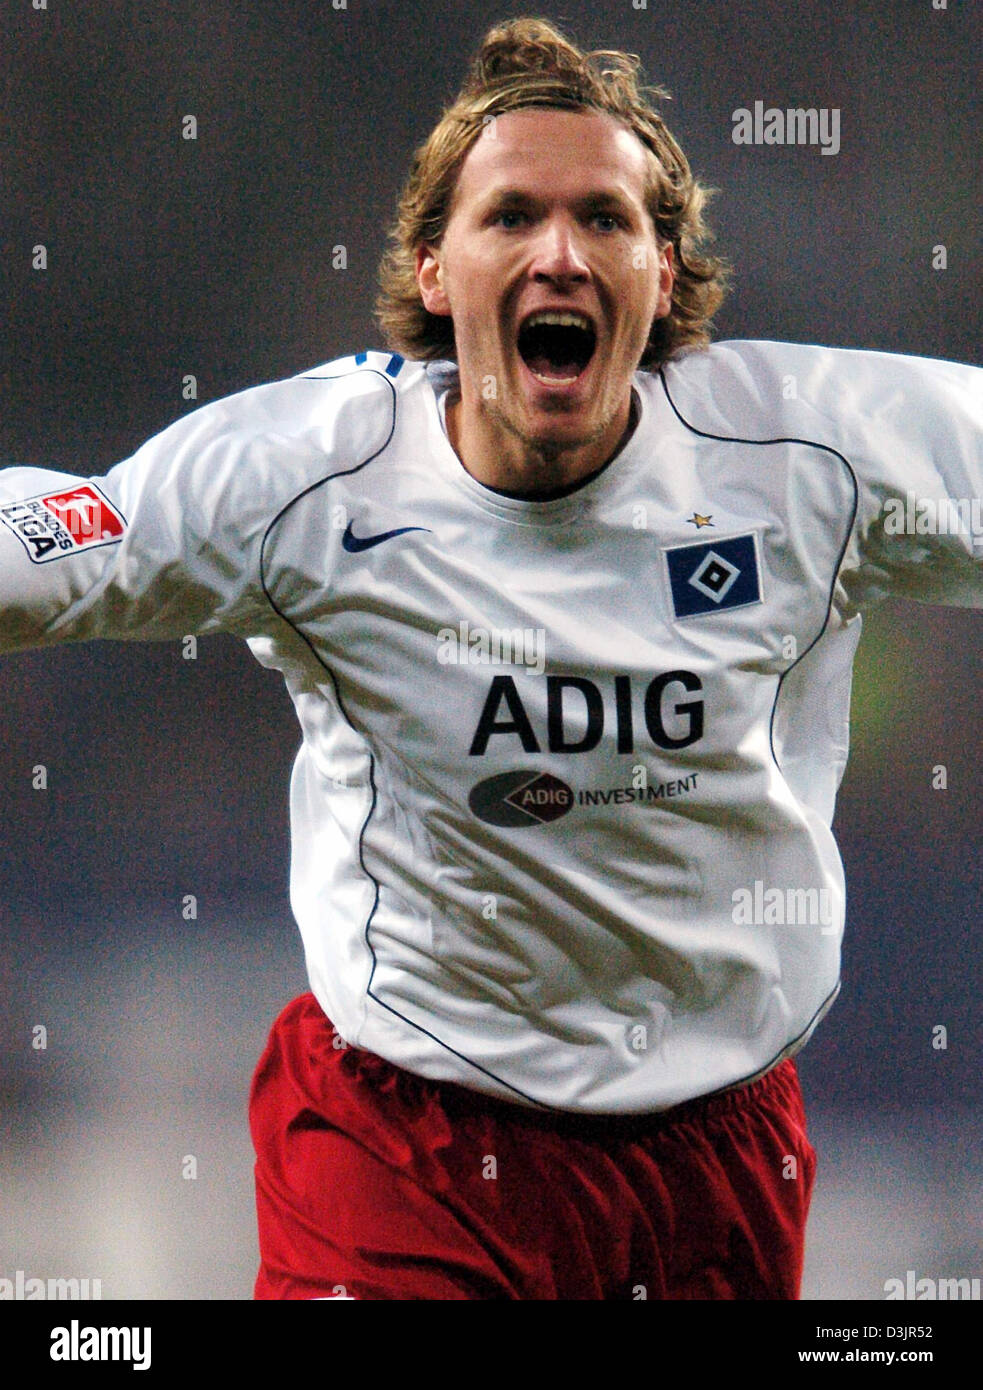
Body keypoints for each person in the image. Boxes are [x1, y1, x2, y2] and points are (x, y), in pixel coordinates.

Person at [1, 18, 978, 1300]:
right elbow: (56, 547)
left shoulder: (811, 453)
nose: (559, 253)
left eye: (605, 219)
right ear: (432, 271)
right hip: (404, 1135)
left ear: (665, 272)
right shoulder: (308, 472)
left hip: (714, 1155)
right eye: (510, 216)